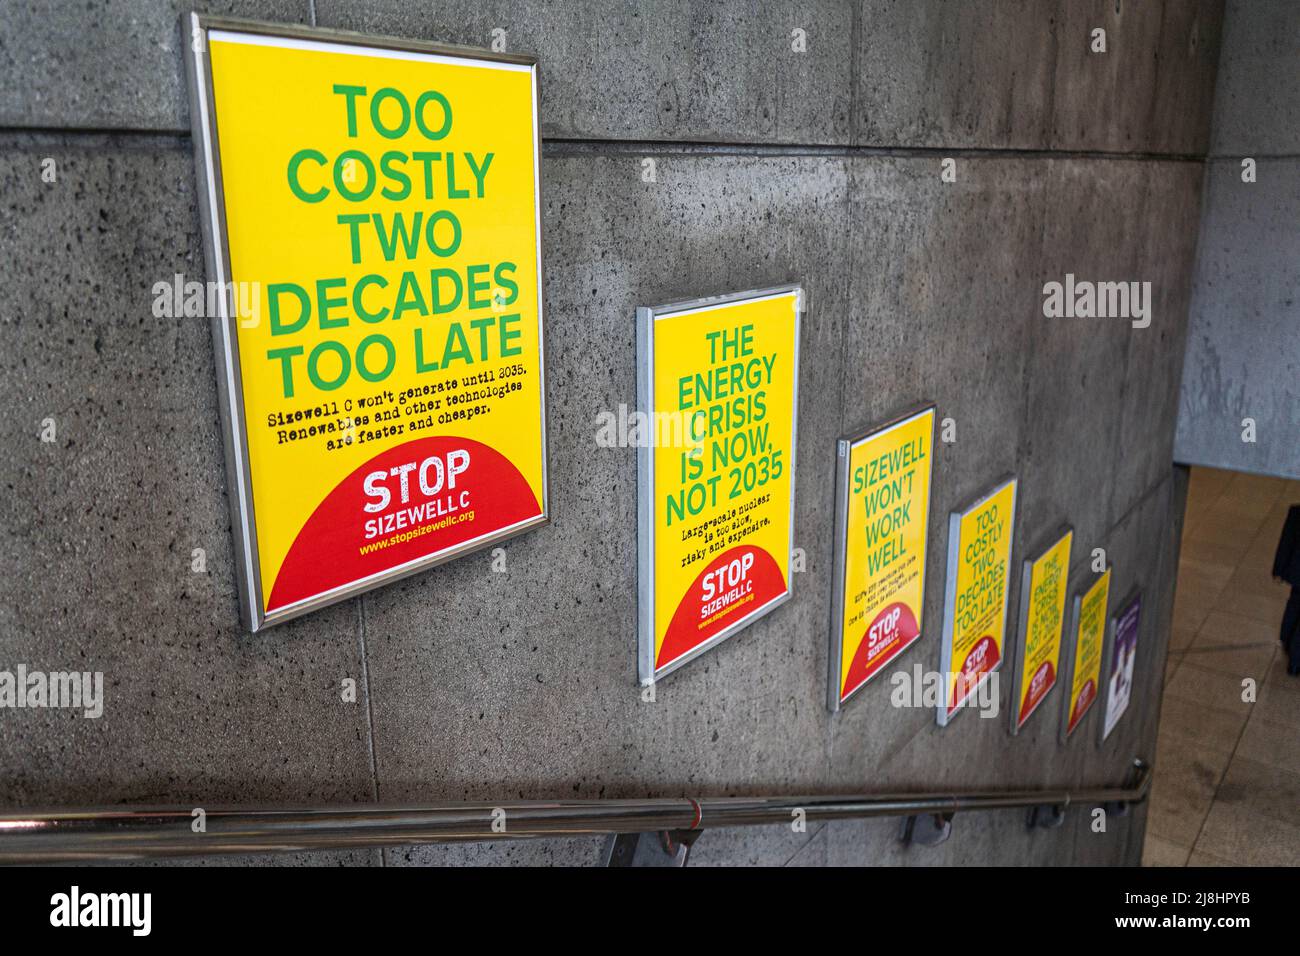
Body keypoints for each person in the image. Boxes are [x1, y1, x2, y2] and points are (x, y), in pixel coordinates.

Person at [1274, 503, 1300, 676]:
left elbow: (1286, 542)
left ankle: (1286, 638)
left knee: (1294, 604)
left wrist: (1279, 569)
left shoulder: (1296, 512)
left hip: (1297, 572)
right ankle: (1296, 661)